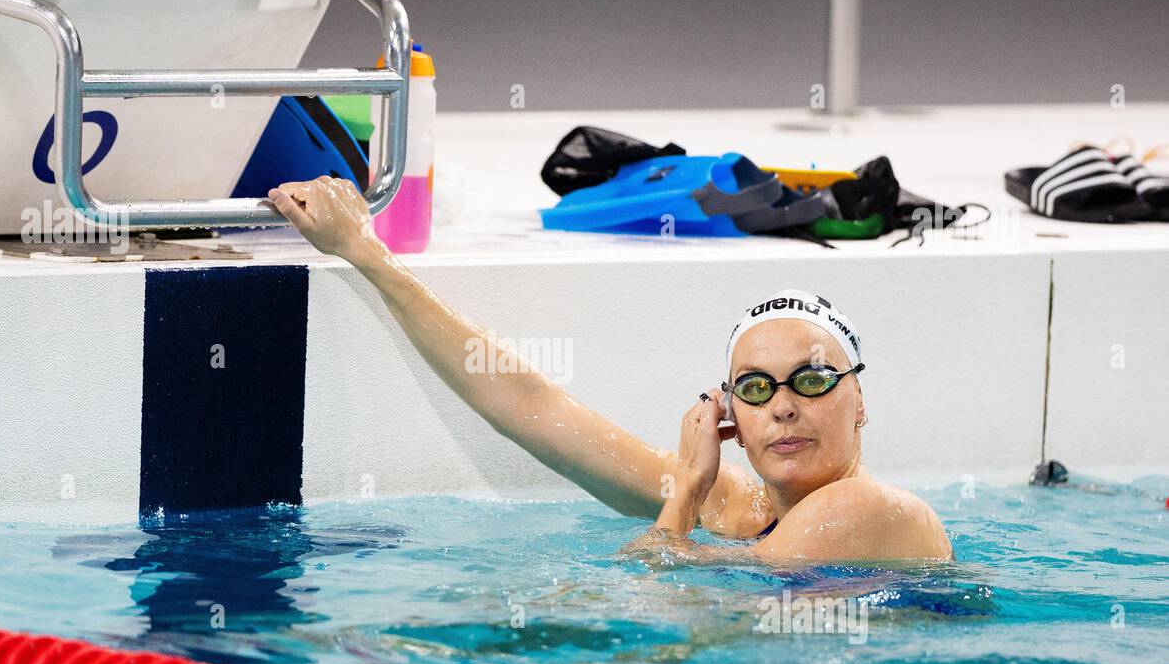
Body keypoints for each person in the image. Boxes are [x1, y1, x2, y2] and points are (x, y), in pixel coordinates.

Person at [267, 178, 953, 565]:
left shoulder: (868, 509)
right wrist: (366, 252)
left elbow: (655, 576)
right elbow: (529, 404)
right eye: (754, 387)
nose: (783, 406)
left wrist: (684, 490)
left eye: (811, 379)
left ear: (859, 400)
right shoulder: (733, 506)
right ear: (729, 418)